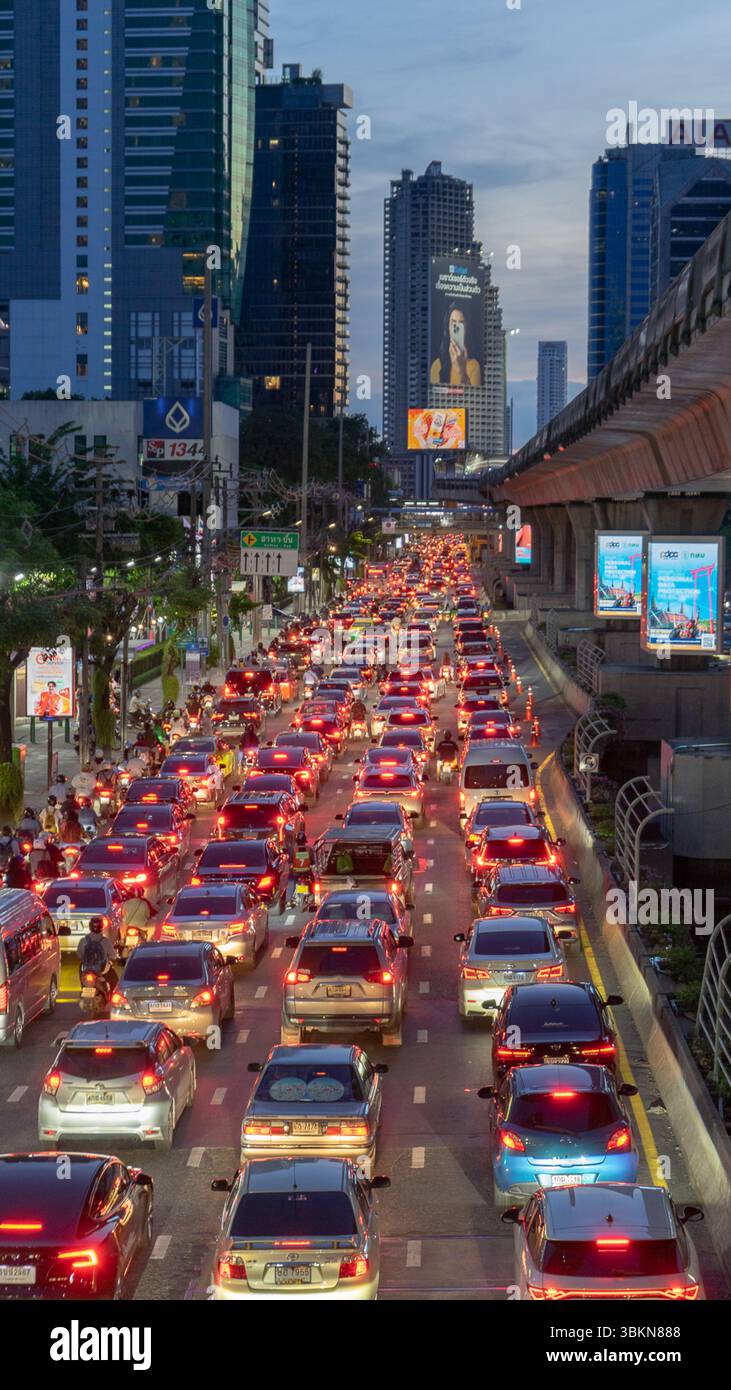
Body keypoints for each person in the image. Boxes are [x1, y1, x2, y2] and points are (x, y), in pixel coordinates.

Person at [430, 302, 482, 388]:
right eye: (453, 323)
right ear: (448, 327)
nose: (457, 329)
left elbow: (473, 399)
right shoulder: (437, 365)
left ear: (466, 329)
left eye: (461, 323)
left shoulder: (474, 366)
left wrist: (462, 372)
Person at [77, 916, 118, 991]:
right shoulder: (105, 941)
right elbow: (113, 956)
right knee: (115, 981)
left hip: (86, 970)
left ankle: (83, 987)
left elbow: (79, 955)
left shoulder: (83, 941)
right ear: (102, 927)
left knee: (80, 968)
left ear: (90, 927)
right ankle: (111, 998)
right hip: (101, 971)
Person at [288, 830, 315, 902]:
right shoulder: (309, 849)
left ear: (297, 841)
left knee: (290, 881)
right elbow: (313, 861)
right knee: (313, 880)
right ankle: (313, 893)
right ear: (305, 841)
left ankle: (290, 897)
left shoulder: (293, 849)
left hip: (295, 872)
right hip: (307, 871)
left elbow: (290, 861)